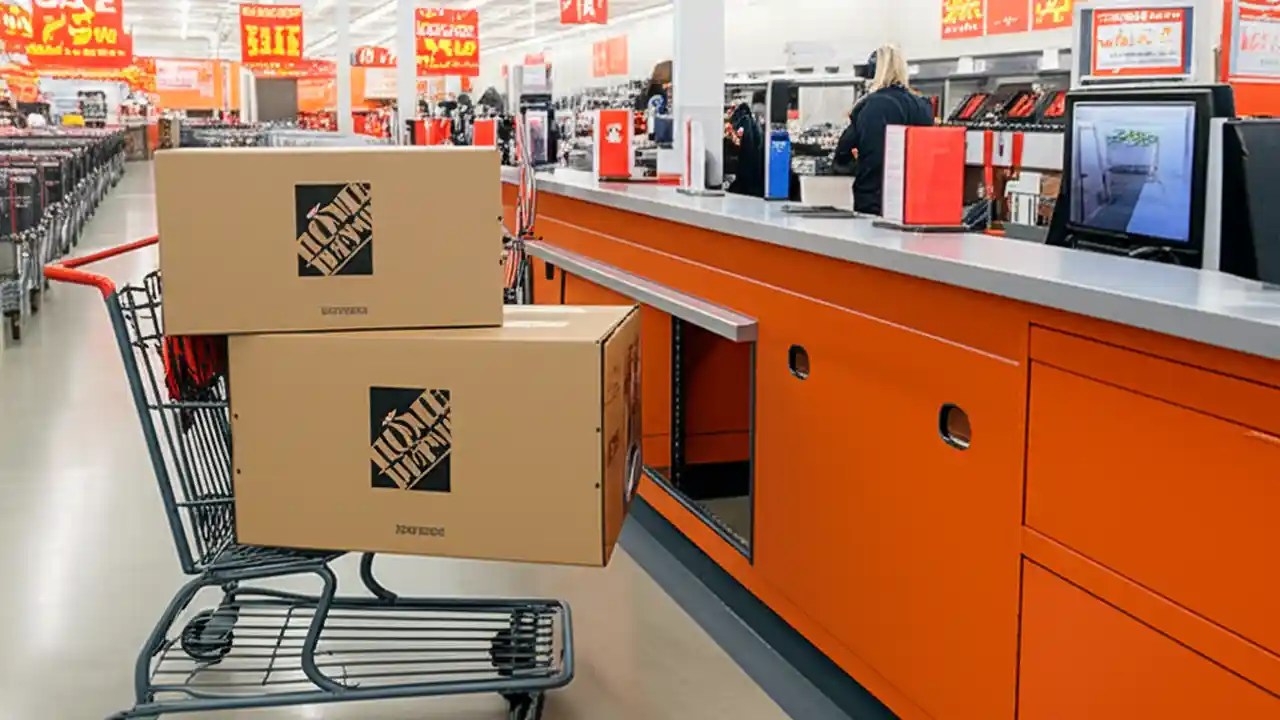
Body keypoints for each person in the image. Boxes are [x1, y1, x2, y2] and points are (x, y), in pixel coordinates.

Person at [836, 44, 933, 215]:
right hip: (917, 199)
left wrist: (854, 165)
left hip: (875, 198)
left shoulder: (871, 105)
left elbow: (843, 153)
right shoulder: (923, 106)